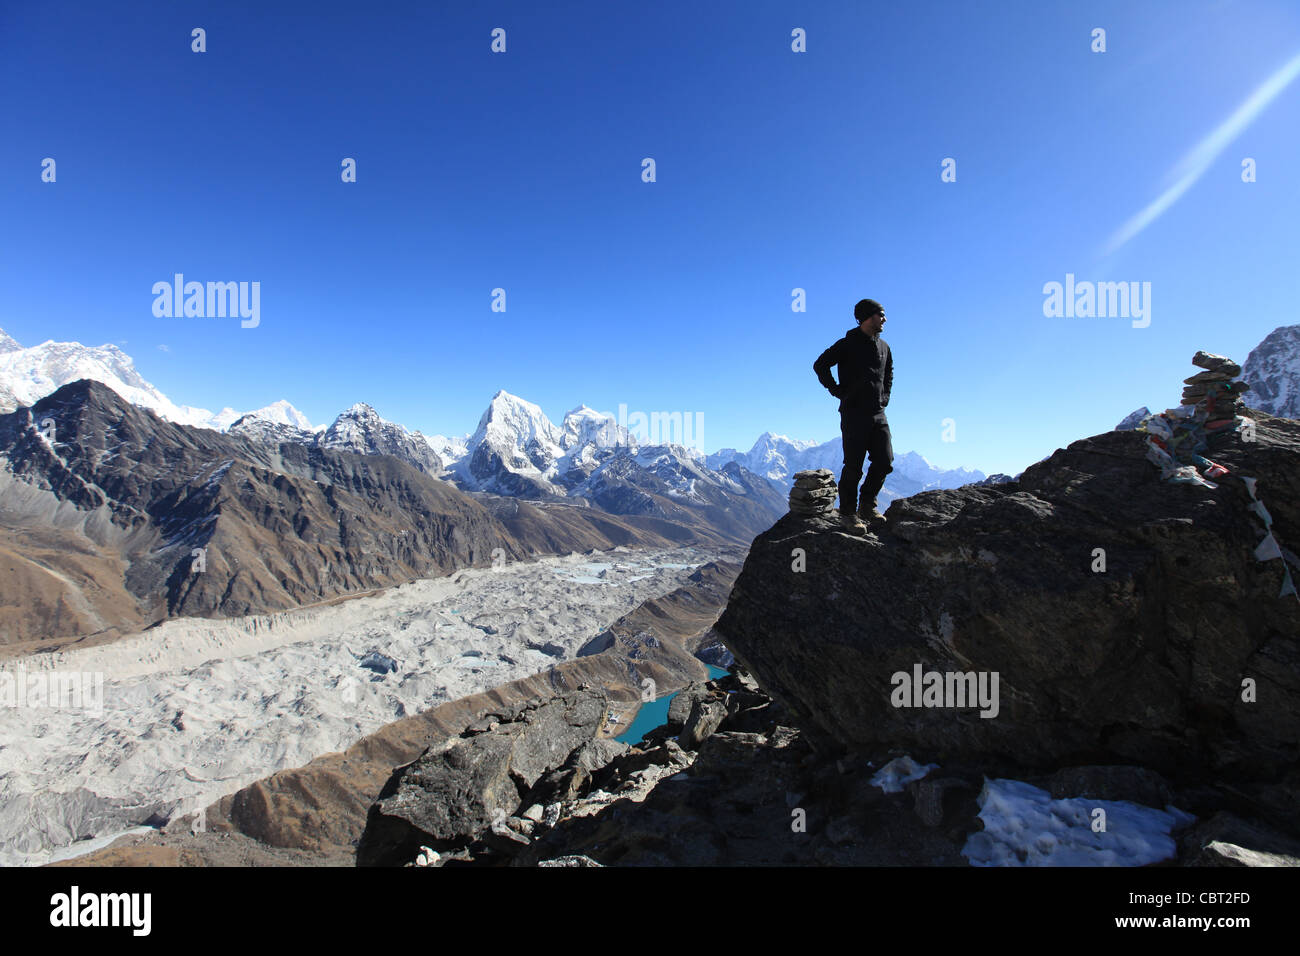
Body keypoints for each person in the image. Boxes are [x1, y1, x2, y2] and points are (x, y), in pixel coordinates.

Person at [813, 298, 894, 534]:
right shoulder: (847, 344)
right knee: (854, 465)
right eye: (881, 315)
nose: (884, 319)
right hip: (854, 413)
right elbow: (820, 364)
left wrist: (885, 397)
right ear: (867, 317)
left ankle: (867, 506)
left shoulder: (885, 347)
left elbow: (889, 374)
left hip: (878, 413)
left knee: (884, 460)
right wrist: (837, 391)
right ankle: (848, 514)